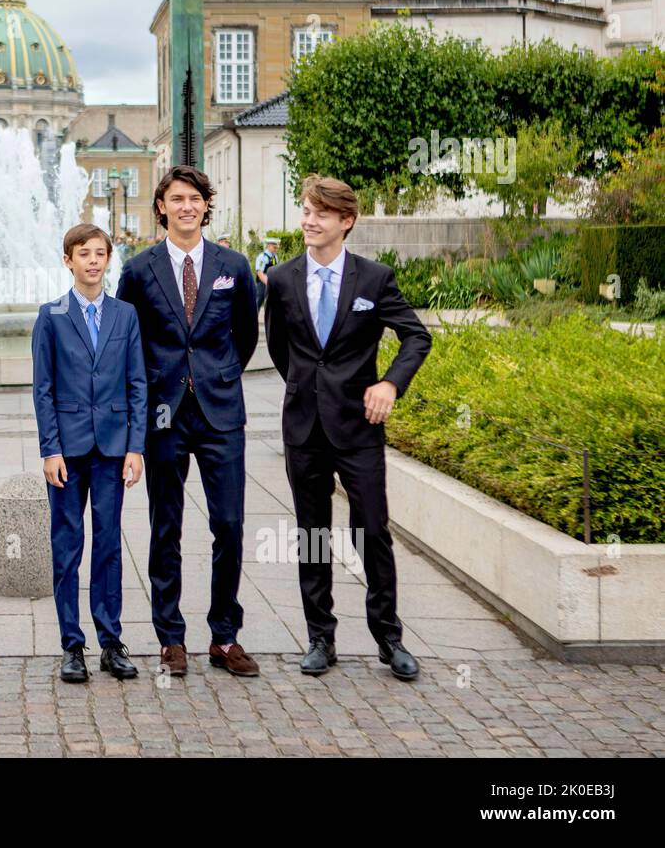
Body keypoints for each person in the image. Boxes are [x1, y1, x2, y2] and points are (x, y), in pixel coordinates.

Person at [264, 175, 431, 681]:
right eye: (306, 211)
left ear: (346, 221)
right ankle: (321, 638)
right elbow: (279, 349)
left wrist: (389, 385)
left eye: (320, 213)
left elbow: (416, 338)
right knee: (312, 534)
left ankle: (388, 638)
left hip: (359, 429)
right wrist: (304, 389)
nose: (309, 221)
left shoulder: (374, 279)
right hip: (304, 429)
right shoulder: (282, 280)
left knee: (372, 531)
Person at [116, 167, 260, 680]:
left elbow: (244, 336)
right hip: (164, 415)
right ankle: (170, 638)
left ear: (205, 206)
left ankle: (224, 635)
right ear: (161, 207)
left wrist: (214, 376)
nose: (186, 206)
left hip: (221, 413)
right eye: (176, 199)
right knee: (165, 527)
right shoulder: (137, 270)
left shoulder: (234, 267)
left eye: (194, 198)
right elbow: (129, 344)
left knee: (230, 525)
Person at [32, 224, 147, 683]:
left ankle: (111, 640)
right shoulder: (52, 315)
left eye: (101, 253)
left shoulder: (125, 315)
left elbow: (138, 384)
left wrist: (136, 447)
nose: (94, 261)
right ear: (68, 261)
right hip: (67, 450)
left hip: (113, 448)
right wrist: (49, 450)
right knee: (67, 546)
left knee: (108, 543)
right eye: (85, 254)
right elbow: (42, 388)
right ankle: (71, 644)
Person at [254, 236, 279, 311]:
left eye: (276, 247)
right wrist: (267, 282)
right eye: (274, 247)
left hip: (271, 283)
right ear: (268, 245)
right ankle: (252, 320)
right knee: (258, 302)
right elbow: (259, 272)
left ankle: (269, 321)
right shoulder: (262, 257)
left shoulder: (275, 257)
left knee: (270, 304)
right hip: (262, 284)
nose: (276, 249)